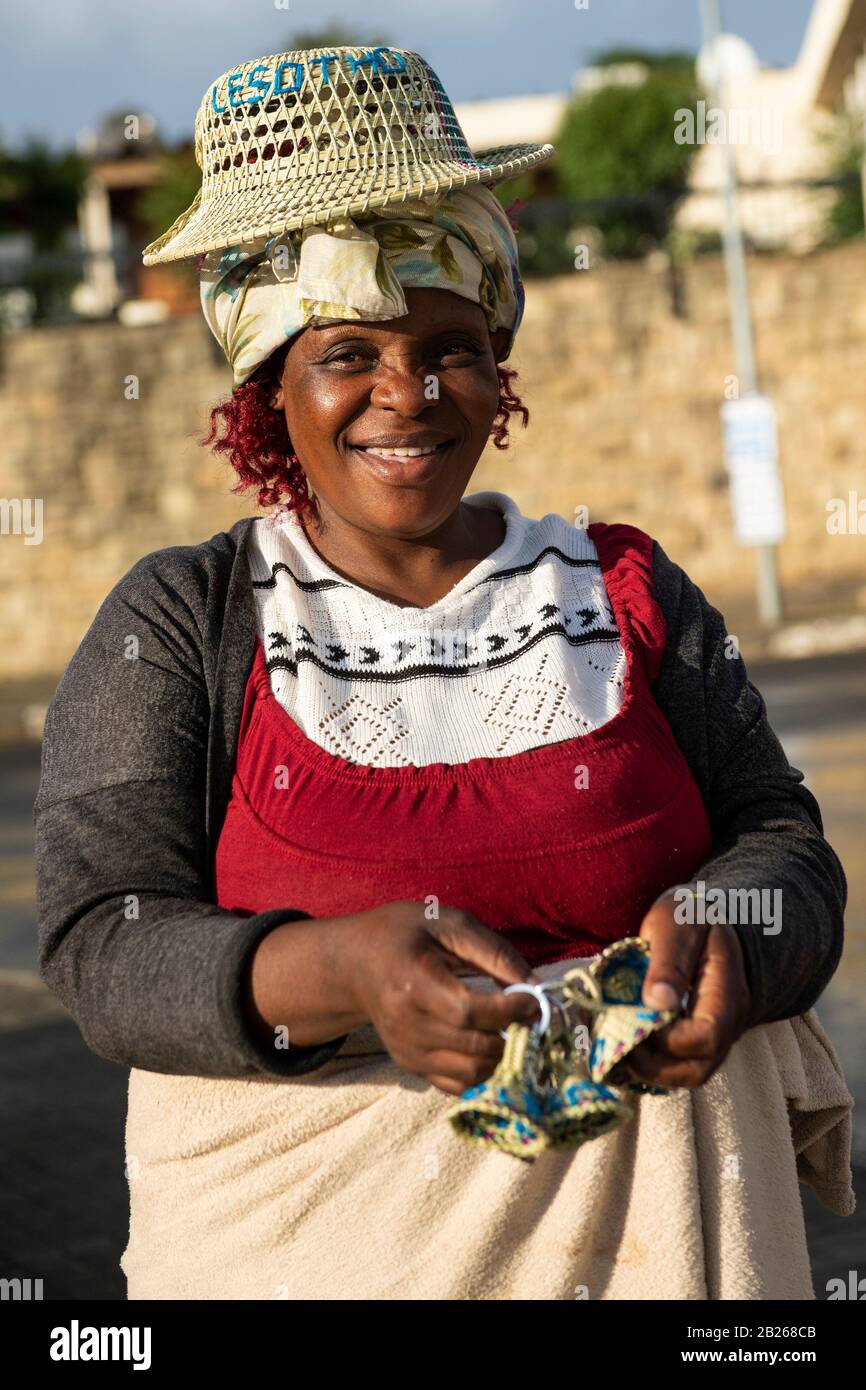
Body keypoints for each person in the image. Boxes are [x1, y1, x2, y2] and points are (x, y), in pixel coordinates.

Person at [35, 45, 853, 1301]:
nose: (405, 395)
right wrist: (341, 969)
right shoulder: (185, 618)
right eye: (343, 352)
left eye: (450, 346)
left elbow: (779, 840)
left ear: (500, 358)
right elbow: (102, 942)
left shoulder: (621, 591)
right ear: (269, 387)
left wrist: (730, 931)